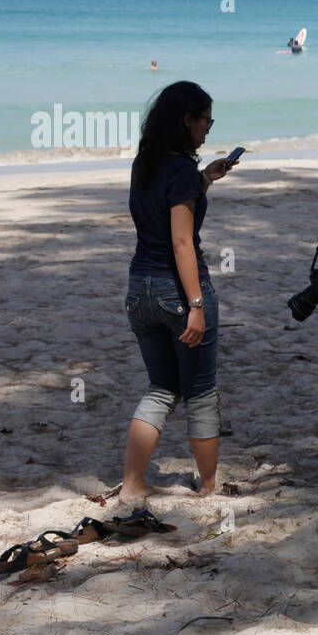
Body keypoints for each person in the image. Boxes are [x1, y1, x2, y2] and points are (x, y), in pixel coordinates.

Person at [121, 81, 236, 501]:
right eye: (205, 119)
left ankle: (133, 485)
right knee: (201, 390)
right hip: (177, 290)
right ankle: (208, 487)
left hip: (139, 290)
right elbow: (182, 242)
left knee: (161, 387)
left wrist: (205, 178)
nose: (208, 128)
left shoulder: (145, 164)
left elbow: (163, 210)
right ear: (187, 119)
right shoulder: (180, 171)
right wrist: (197, 305)